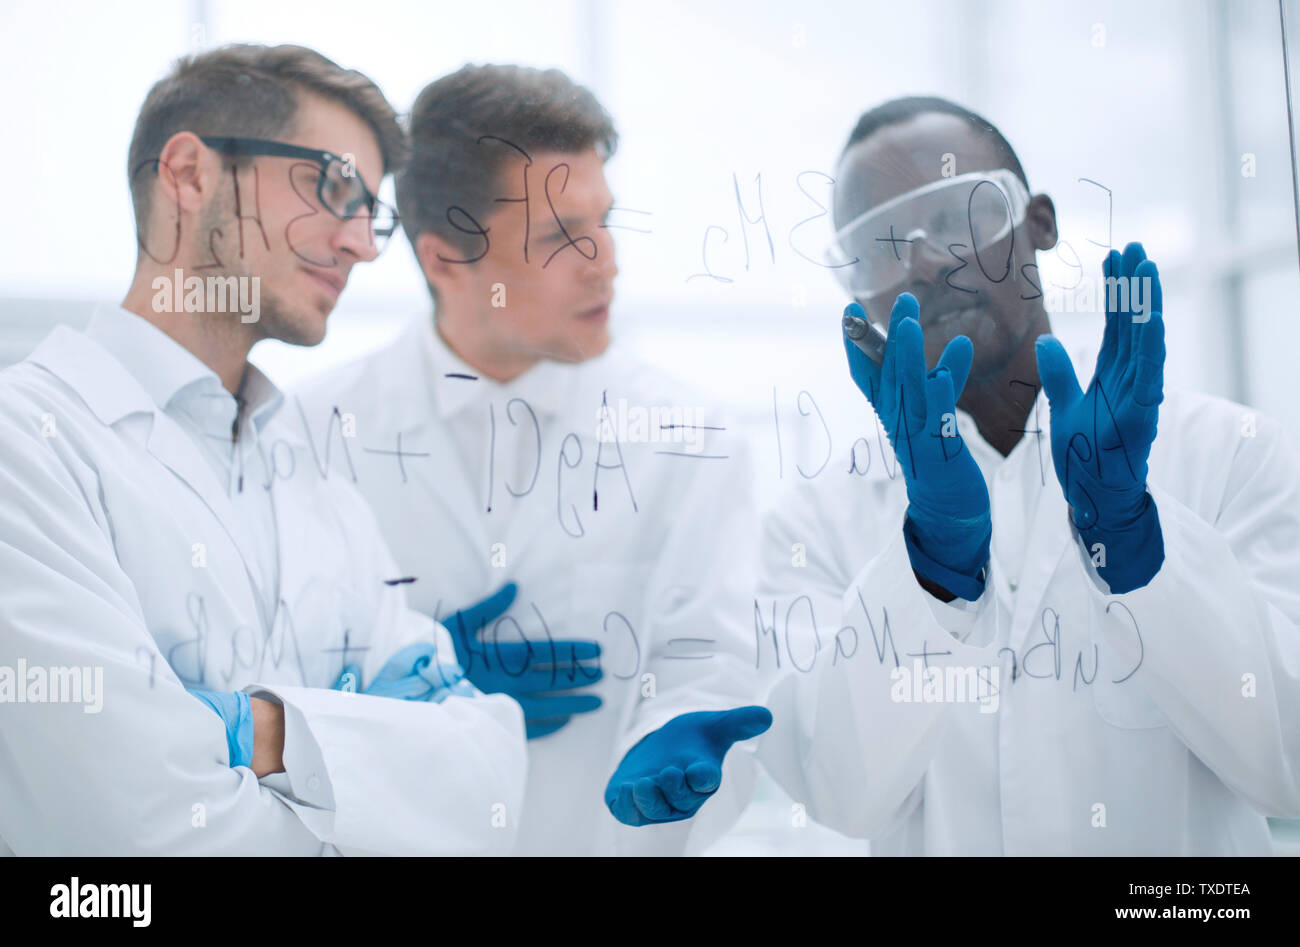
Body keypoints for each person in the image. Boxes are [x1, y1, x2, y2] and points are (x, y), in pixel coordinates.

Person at [0, 44, 526, 856]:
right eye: (332, 186)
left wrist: (267, 733)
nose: (361, 242)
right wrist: (369, 769)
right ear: (187, 175)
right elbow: (136, 830)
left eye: (373, 212)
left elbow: (488, 778)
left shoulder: (314, 475)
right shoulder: (28, 443)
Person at [754, 96, 1300, 854]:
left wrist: (1131, 536)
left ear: (1036, 221)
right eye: (883, 247)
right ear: (857, 290)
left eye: (957, 217)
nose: (928, 262)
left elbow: (1291, 765)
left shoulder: (1227, 454)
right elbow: (842, 792)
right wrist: (933, 566)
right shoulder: (814, 523)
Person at [293, 64, 770, 856]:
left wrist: (681, 736)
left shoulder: (692, 437)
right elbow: (270, 695)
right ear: (445, 258)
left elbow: (713, 665)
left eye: (606, 221)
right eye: (558, 237)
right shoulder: (311, 434)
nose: (605, 261)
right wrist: (403, 685)